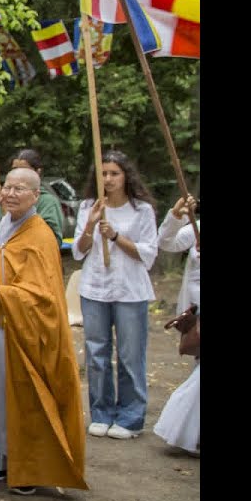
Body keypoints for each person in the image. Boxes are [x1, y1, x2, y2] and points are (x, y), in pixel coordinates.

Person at [0, 168, 88, 496]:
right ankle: (0, 458)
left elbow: (46, 295)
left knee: (27, 397)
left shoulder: (40, 236)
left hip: (27, 330)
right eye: (7, 187)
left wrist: (1, 292)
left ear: (36, 196)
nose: (11, 193)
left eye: (20, 189)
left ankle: (29, 467)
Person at [73, 150, 158, 440]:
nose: (108, 179)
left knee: (130, 355)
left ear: (126, 176)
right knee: (96, 354)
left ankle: (131, 417)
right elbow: (79, 250)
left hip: (129, 290)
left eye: (114, 173)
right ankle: (101, 412)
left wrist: (114, 237)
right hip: (94, 287)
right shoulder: (89, 205)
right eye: (103, 174)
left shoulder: (141, 210)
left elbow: (148, 253)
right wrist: (90, 225)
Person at [153, 194, 199, 456]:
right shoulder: (196, 228)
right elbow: (166, 242)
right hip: (196, 311)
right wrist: (176, 216)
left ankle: (184, 430)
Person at [0, 149, 65, 241]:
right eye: (15, 169)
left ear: (37, 172)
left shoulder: (47, 201)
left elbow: (52, 240)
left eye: (24, 170)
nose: (18, 173)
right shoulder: (4, 198)